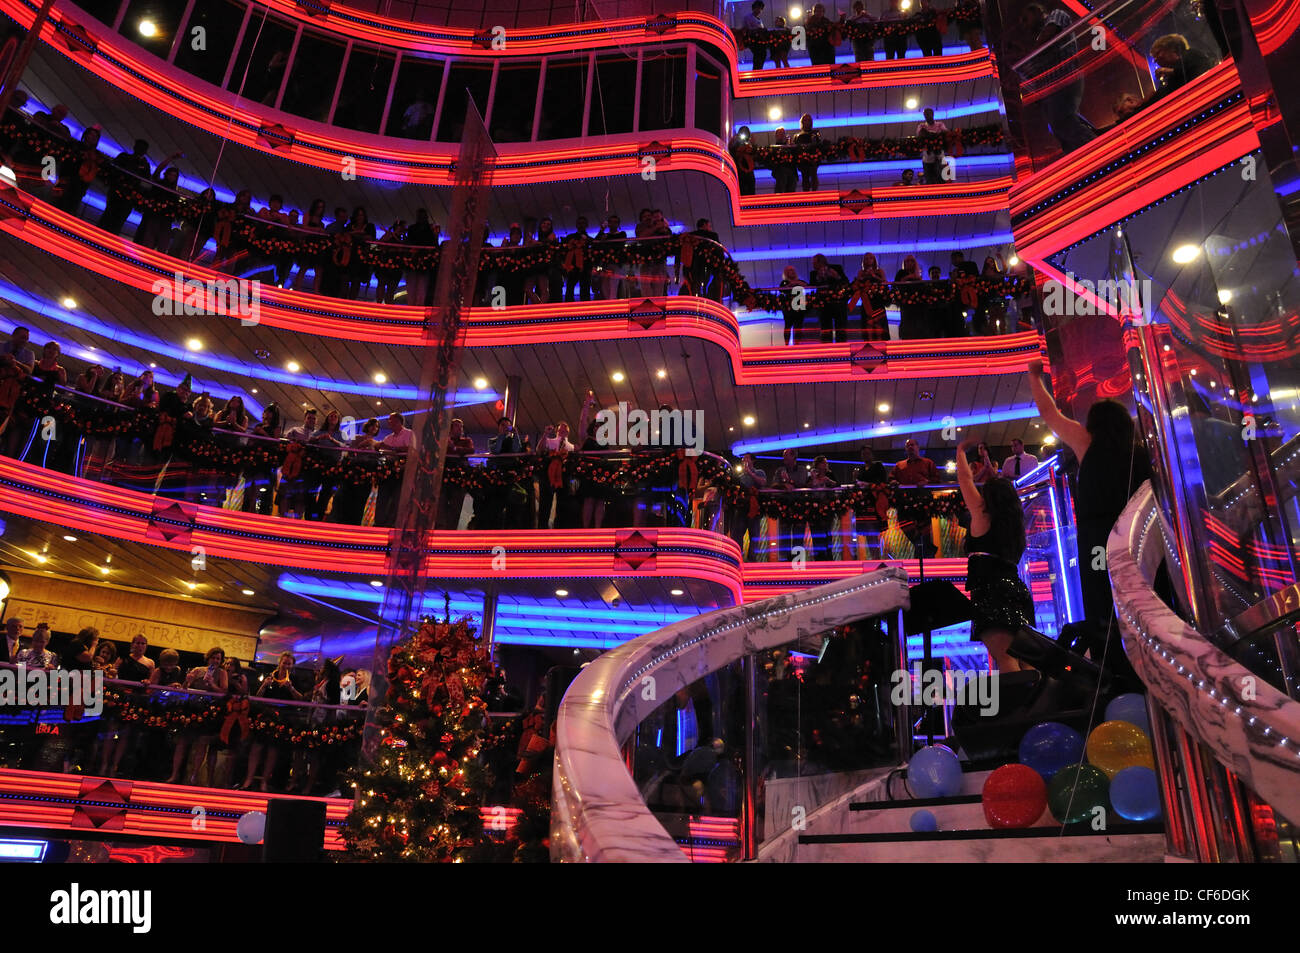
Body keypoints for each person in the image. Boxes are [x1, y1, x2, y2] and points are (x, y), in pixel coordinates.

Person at [1028, 359, 1151, 642]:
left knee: (1103, 602)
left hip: (1098, 539)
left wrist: (1033, 376)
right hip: (1138, 534)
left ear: (1094, 424)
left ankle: (1112, 665)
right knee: (1142, 598)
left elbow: (1049, 412)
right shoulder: (1140, 453)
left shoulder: (1087, 443)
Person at [955, 439, 1034, 671]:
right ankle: (1038, 706)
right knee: (1027, 660)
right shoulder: (1014, 525)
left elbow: (964, 480)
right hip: (1017, 590)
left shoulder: (982, 515)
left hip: (992, 593)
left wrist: (960, 451)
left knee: (1005, 659)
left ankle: (1015, 707)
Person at [1020, 3, 1095, 154]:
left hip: (1064, 79)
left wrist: (1028, 58)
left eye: (1026, 20)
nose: (1026, 27)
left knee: (1064, 123)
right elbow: (1033, 74)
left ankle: (1096, 148)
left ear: (1037, 11)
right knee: (1059, 129)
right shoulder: (1038, 40)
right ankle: (1080, 157)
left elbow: (1050, 34)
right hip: (1051, 91)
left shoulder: (1056, 15)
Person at [240, 652, 302, 791]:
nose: (286, 666)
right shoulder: (270, 676)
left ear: (292, 666)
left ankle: (264, 782)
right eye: (284, 662)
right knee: (257, 746)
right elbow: (258, 696)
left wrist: (291, 688)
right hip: (266, 714)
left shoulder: (294, 679)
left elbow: (300, 700)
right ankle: (248, 780)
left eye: (289, 663)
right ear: (279, 662)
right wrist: (264, 686)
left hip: (283, 717)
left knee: (273, 750)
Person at [1147, 33, 1215, 102]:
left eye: (1158, 53)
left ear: (1172, 48)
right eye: (1154, 57)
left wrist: (1168, 71)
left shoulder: (1192, 54)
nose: (1156, 60)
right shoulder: (1173, 76)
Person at [770, 448, 810, 561]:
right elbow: (773, 484)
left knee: (798, 536)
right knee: (785, 536)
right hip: (785, 507)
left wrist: (789, 481)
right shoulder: (780, 470)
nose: (784, 458)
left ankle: (797, 564)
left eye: (786, 456)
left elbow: (802, 483)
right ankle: (785, 563)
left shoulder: (801, 470)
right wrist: (784, 486)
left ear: (793, 457)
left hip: (799, 506)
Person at [279, 407, 318, 518]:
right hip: (290, 468)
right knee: (285, 494)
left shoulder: (317, 435)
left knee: (301, 497)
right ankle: (282, 520)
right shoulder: (294, 430)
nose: (311, 420)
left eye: (313, 418)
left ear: (316, 421)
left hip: (306, 471)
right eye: (309, 418)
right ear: (305, 419)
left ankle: (297, 522)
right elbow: (284, 443)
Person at [728, 453, 768, 560]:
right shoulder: (740, 477)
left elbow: (763, 483)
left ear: (752, 461)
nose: (744, 460)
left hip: (754, 507)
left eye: (746, 458)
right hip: (741, 507)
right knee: (737, 533)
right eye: (743, 458)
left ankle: (752, 559)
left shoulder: (759, 472)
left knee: (754, 534)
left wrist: (750, 473)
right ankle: (737, 557)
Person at [537, 420, 574, 529]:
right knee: (545, 504)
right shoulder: (550, 441)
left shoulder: (570, 447)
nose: (563, 432)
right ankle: (542, 529)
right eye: (560, 430)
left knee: (562, 505)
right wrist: (545, 434)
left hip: (563, 477)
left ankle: (559, 529)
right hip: (548, 476)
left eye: (565, 430)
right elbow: (540, 449)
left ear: (568, 433)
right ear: (557, 431)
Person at [440, 418, 474, 530]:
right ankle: (441, 528)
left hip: (459, 476)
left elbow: (470, 450)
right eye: (457, 426)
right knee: (441, 503)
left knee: (456, 504)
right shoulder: (443, 440)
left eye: (461, 427)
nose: (460, 429)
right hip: (444, 475)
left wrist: (454, 448)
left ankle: (451, 530)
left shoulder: (466, 440)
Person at [810, 253, 848, 342]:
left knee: (840, 326)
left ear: (821, 262)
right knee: (825, 328)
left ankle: (841, 348)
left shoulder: (836, 268)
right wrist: (818, 278)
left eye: (814, 263)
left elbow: (846, 281)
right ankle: (827, 348)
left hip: (838, 302)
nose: (813, 265)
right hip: (823, 304)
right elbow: (811, 286)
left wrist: (836, 276)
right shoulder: (813, 273)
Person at [852, 252, 889, 341]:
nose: (869, 260)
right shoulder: (861, 272)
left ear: (874, 260)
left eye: (870, 258)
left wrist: (874, 276)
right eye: (866, 258)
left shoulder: (880, 271)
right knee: (867, 323)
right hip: (866, 302)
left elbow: (885, 282)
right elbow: (858, 285)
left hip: (878, 301)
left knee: (879, 323)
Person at [894, 255, 928, 338]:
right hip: (906, 304)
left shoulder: (917, 274)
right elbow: (897, 284)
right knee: (907, 324)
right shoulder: (901, 273)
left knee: (919, 325)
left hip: (918, 305)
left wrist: (918, 278)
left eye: (911, 261)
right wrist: (909, 277)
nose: (909, 263)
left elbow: (923, 287)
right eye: (907, 261)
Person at [563, 216, 593, 302]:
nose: (581, 225)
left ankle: (585, 310)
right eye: (579, 223)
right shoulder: (570, 237)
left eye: (583, 223)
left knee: (585, 288)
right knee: (570, 288)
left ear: (586, 225)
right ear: (576, 225)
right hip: (572, 266)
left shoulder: (589, 239)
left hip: (586, 267)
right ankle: (569, 308)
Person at [916, 108, 948, 184]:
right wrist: (935, 135)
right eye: (925, 114)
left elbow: (946, 133)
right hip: (927, 158)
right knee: (929, 180)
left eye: (929, 114)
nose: (927, 116)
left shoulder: (940, 124)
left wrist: (930, 135)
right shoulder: (921, 126)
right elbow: (920, 135)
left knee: (941, 179)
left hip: (939, 156)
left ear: (933, 114)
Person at [778, 264, 807, 345]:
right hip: (788, 307)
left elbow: (806, 285)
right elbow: (782, 289)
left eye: (793, 270)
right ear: (786, 273)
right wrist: (793, 284)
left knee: (798, 326)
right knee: (788, 325)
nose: (792, 272)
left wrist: (796, 282)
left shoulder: (800, 281)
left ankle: (797, 344)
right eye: (790, 270)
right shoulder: (784, 282)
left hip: (799, 306)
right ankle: (787, 345)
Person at [792, 113, 821, 191]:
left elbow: (819, 145)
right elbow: (794, 148)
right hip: (802, 161)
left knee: (813, 175)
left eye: (809, 120)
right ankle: (806, 194)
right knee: (805, 178)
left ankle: (815, 193)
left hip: (813, 159)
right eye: (805, 120)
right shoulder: (797, 136)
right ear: (802, 122)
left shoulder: (815, 133)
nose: (807, 122)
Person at [729, 126, 757, 197]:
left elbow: (755, 155)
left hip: (749, 171)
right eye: (742, 132)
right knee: (741, 190)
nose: (744, 135)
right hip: (739, 171)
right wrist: (733, 142)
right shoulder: (736, 144)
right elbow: (732, 153)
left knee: (751, 190)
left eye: (746, 133)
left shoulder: (751, 144)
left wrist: (753, 144)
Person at [771, 127, 799, 194]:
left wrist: (793, 148)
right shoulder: (773, 148)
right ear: (776, 135)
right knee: (780, 191)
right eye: (780, 133)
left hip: (792, 172)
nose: (781, 135)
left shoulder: (790, 147)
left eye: (783, 133)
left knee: (791, 193)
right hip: (780, 173)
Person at [742, 1, 769, 71]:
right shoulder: (748, 17)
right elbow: (747, 28)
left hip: (760, 40)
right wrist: (758, 29)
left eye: (761, 8)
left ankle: (758, 71)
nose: (759, 10)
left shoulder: (759, 19)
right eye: (758, 8)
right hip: (753, 40)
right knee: (758, 55)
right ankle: (756, 71)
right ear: (753, 8)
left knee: (762, 55)